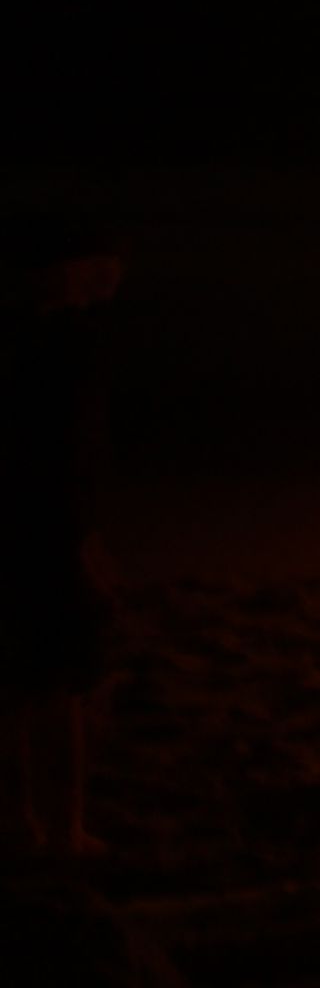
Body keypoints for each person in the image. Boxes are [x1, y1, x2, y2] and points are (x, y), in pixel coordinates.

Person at [3, 216, 123, 857]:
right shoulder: (68, 347)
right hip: (45, 527)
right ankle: (63, 828)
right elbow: (67, 453)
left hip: (25, 520)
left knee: (17, 682)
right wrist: (82, 539)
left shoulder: (28, 337)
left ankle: (20, 818)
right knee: (59, 684)